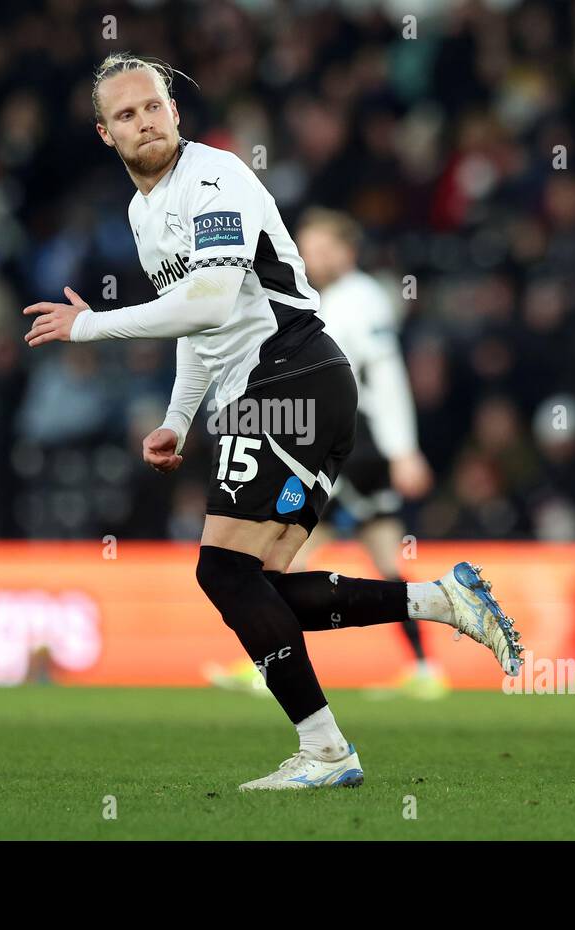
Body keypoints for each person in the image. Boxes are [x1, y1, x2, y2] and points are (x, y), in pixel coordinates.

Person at [23, 54, 522, 791]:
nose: (145, 122)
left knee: (222, 571)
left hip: (291, 375)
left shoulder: (214, 178)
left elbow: (215, 302)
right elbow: (200, 330)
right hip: (278, 387)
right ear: (105, 134)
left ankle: (326, 749)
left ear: (175, 112)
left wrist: (92, 327)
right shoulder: (142, 213)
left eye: (153, 106)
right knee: (254, 583)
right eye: (126, 115)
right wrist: (177, 417)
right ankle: (444, 603)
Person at [206, 208, 446, 700]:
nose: (309, 257)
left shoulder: (362, 299)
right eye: (306, 248)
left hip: (355, 442)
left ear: (346, 251)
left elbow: (386, 375)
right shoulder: (324, 299)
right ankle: (426, 663)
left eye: (320, 249)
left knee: (278, 550)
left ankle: (268, 662)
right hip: (350, 442)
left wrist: (404, 451)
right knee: (383, 552)